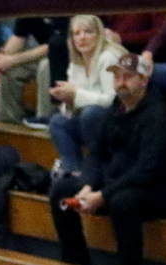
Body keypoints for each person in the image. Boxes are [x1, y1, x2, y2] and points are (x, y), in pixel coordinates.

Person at [48, 52, 166, 265]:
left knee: (122, 202)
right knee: (62, 192)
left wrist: (103, 194)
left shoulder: (160, 117)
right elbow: (96, 154)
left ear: (143, 80)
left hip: (160, 191)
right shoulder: (114, 110)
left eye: (128, 77)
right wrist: (87, 186)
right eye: (116, 77)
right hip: (118, 183)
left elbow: (147, 170)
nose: (121, 82)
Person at [46, 16, 124, 176]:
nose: (81, 37)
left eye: (88, 32)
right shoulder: (77, 61)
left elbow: (113, 99)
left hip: (119, 122)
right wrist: (66, 100)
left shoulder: (109, 57)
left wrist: (75, 94)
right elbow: (75, 102)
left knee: (91, 113)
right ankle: (72, 171)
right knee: (57, 122)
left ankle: (99, 166)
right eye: (76, 33)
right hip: (90, 122)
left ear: (99, 34)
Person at [0, 17, 70, 125]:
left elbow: (56, 45)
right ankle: (8, 124)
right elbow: (18, 37)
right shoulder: (29, 5)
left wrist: (12, 60)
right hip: (40, 55)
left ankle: (43, 120)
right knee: (8, 69)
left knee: (45, 67)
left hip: (68, 55)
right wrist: (0, 59)